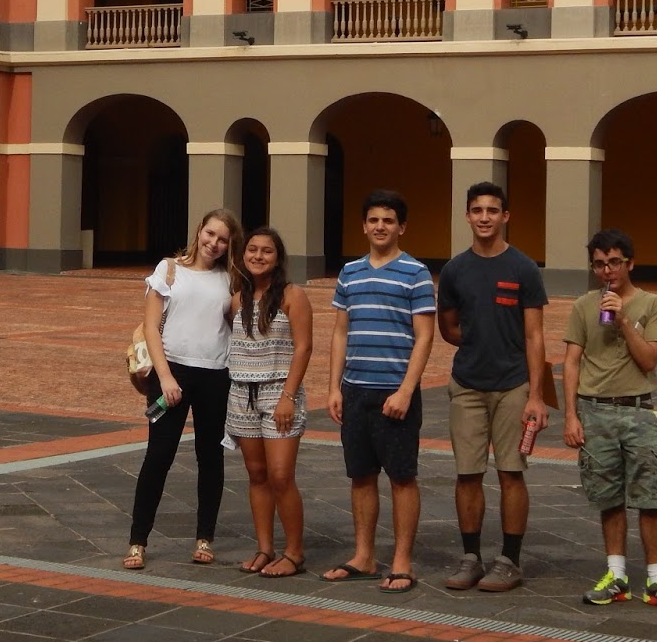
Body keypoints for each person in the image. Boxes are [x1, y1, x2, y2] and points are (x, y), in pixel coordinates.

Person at [562, 229, 657, 611]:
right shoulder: (584, 305)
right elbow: (570, 361)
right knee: (608, 497)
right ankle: (616, 575)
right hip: (594, 409)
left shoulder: (651, 304)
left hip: (638, 409)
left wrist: (622, 321)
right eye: (599, 264)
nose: (607, 271)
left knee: (650, 496)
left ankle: (656, 578)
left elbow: (649, 359)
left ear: (630, 263)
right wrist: (570, 415)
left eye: (614, 262)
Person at [436, 182, 548, 593]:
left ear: (506, 216)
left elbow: (535, 336)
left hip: (514, 386)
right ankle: (471, 558)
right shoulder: (455, 269)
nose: (484, 217)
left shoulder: (522, 268)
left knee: (511, 473)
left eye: (492, 210)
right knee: (467, 473)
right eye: (477, 210)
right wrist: (473, 341)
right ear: (467, 216)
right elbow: (447, 324)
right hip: (466, 385)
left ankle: (510, 561)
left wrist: (536, 395)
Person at [322, 190, 435, 594]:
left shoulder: (416, 273)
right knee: (361, 476)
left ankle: (402, 560)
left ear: (401, 227)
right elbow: (339, 332)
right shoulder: (350, 272)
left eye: (389, 220)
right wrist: (334, 387)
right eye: (374, 220)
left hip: (394, 392)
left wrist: (406, 390)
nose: (380, 226)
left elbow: (424, 337)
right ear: (364, 225)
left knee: (402, 477)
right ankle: (364, 556)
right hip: (355, 390)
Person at [124, 209, 243, 570]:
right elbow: (150, 327)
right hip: (172, 372)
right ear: (199, 231)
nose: (214, 244)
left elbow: (237, 324)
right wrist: (165, 378)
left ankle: (204, 537)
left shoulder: (231, 279)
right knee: (157, 458)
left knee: (211, 459)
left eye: (223, 239)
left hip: (215, 376)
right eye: (210, 234)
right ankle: (137, 541)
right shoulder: (169, 269)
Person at [228, 226, 312, 578]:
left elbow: (304, 347)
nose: (258, 256)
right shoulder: (237, 298)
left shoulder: (292, 295)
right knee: (257, 474)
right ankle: (265, 548)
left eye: (266, 251)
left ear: (278, 258)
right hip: (240, 392)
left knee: (280, 476)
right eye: (252, 250)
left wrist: (288, 397)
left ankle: (294, 552)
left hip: (278, 391)